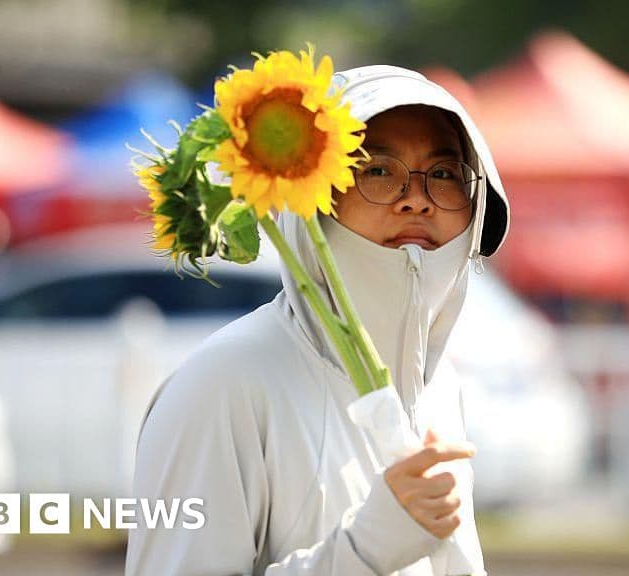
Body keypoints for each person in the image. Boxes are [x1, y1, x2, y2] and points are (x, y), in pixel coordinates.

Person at [125, 65, 510, 576]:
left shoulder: (439, 386)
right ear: (310, 196)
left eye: (443, 174)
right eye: (377, 169)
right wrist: (364, 550)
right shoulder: (223, 384)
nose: (416, 197)